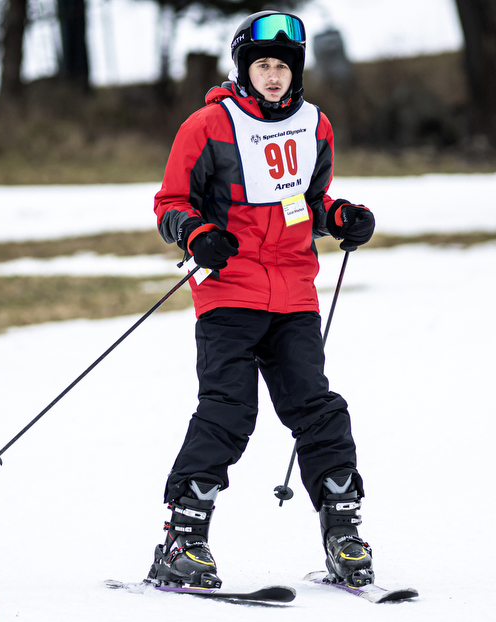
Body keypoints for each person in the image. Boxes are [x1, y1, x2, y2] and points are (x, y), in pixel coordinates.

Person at [148, 11, 377, 590]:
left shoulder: (314, 126)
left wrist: (340, 216)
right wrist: (198, 233)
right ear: (244, 70)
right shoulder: (207, 125)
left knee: (319, 410)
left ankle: (343, 534)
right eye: (263, 66)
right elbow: (171, 202)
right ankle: (183, 539)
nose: (273, 76)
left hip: (295, 292)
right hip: (229, 293)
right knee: (229, 411)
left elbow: (310, 200)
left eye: (282, 66)